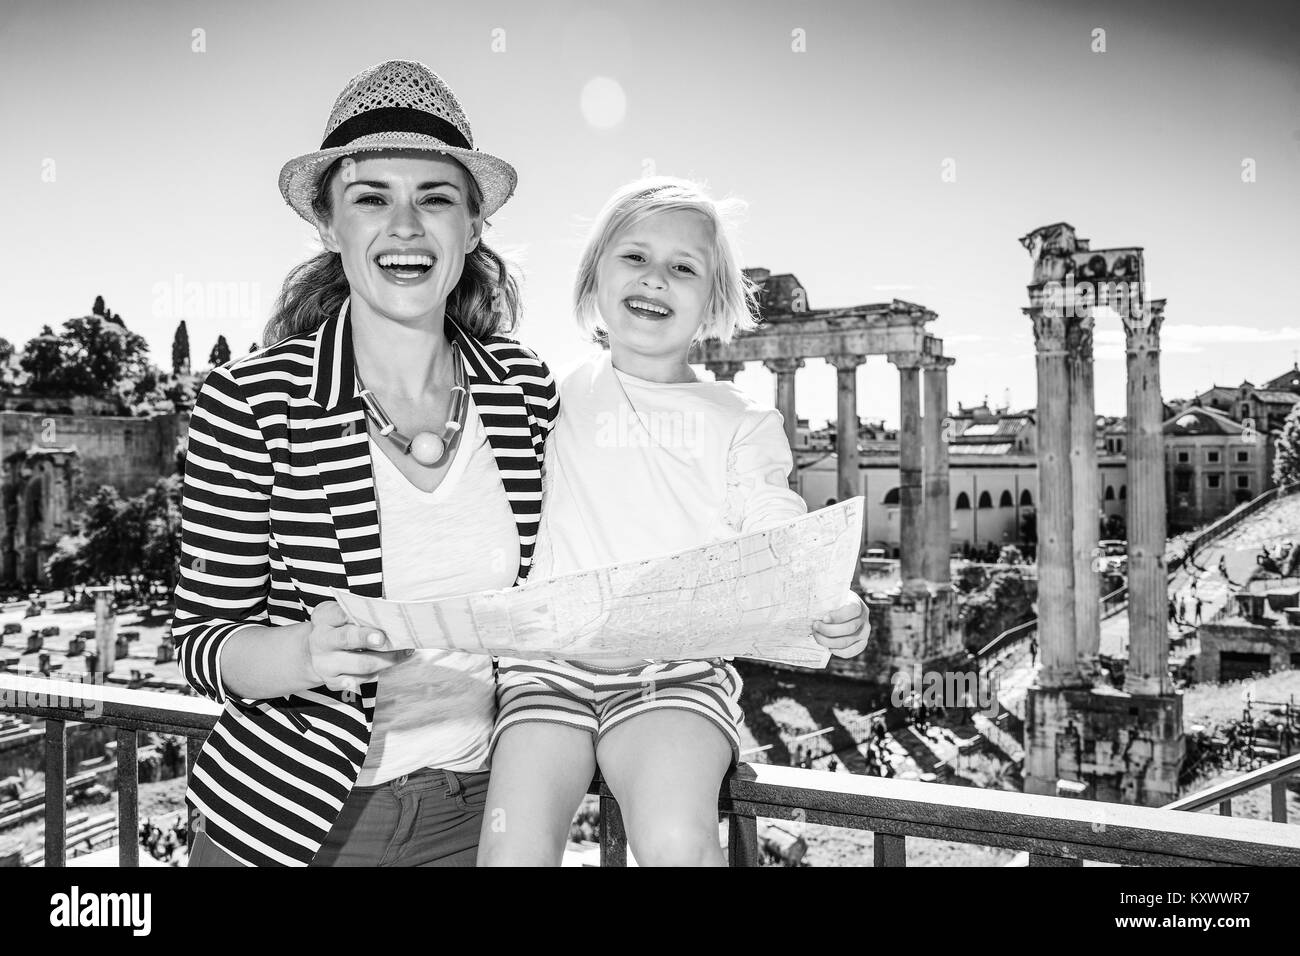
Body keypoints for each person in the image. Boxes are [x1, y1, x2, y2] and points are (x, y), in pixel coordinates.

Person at [172, 60, 557, 866]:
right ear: (328, 225)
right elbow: (203, 642)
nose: (406, 225)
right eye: (372, 196)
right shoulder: (250, 400)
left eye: (437, 197)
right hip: (290, 823)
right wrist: (302, 655)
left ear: (473, 225)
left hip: (479, 816)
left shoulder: (524, 391)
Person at [477, 178, 869, 867]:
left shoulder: (744, 422)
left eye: (684, 267)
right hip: (545, 669)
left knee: (680, 843)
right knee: (512, 849)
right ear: (592, 278)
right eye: (633, 257)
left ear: (714, 301)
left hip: (676, 676)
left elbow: (778, 536)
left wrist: (828, 599)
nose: (656, 277)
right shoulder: (548, 393)